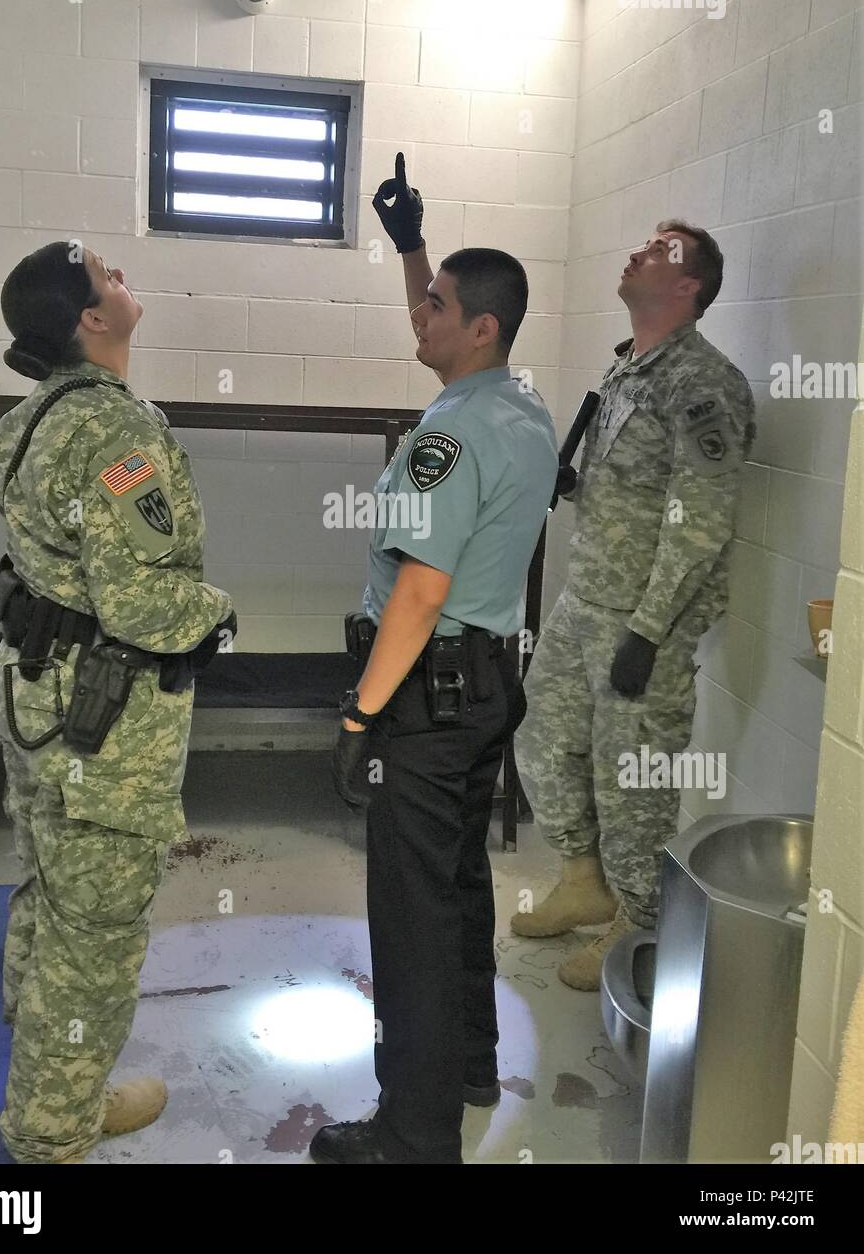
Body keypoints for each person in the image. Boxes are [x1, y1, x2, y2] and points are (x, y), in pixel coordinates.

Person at [313, 155, 559, 1164]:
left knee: (409, 918)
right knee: (456, 885)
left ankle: (413, 1135)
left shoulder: (443, 438)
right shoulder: (522, 412)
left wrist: (360, 715)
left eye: (436, 304)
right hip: (485, 682)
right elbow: (438, 306)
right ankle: (467, 1064)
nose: (419, 313)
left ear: (480, 329)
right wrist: (409, 241)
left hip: (419, 694)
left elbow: (416, 592)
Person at [0, 240, 234, 1163]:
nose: (124, 279)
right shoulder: (119, 432)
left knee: (48, 881)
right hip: (102, 720)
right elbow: (143, 603)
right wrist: (221, 613)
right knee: (97, 933)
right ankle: (52, 1128)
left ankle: (34, 1047)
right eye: (109, 278)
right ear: (91, 320)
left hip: (32, 693)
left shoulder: (21, 423)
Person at [511, 221, 756, 989]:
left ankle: (639, 933)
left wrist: (648, 632)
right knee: (545, 736)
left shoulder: (704, 384)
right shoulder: (631, 371)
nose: (639, 252)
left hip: (642, 622)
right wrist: (572, 485)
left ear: (689, 285)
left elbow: (703, 520)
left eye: (661, 251)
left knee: (635, 782)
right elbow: (637, 489)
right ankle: (584, 880)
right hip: (587, 599)